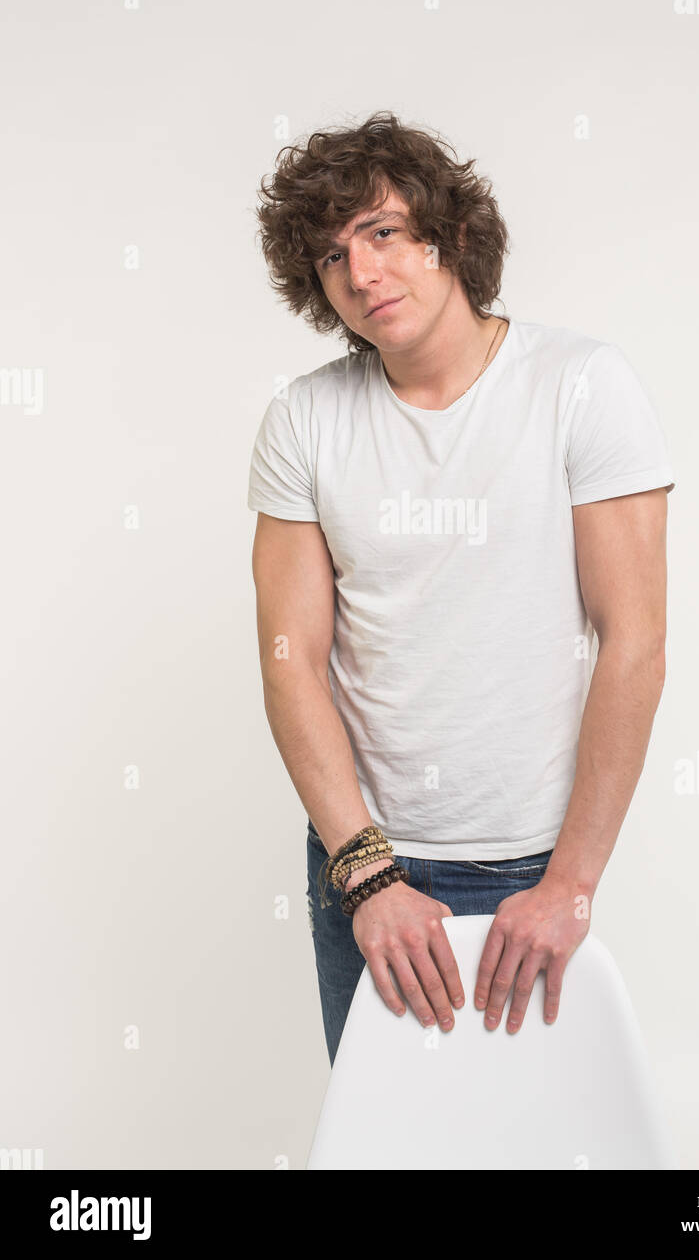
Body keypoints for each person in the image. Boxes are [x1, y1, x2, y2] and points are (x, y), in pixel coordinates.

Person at [247, 111, 675, 1067]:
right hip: (365, 863)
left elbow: (634, 639)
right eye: (330, 256)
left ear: (454, 234)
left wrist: (569, 881)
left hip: (530, 859)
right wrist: (366, 879)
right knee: (386, 1147)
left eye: (383, 233)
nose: (360, 275)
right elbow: (290, 664)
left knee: (531, 1144)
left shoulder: (582, 387)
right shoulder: (304, 420)